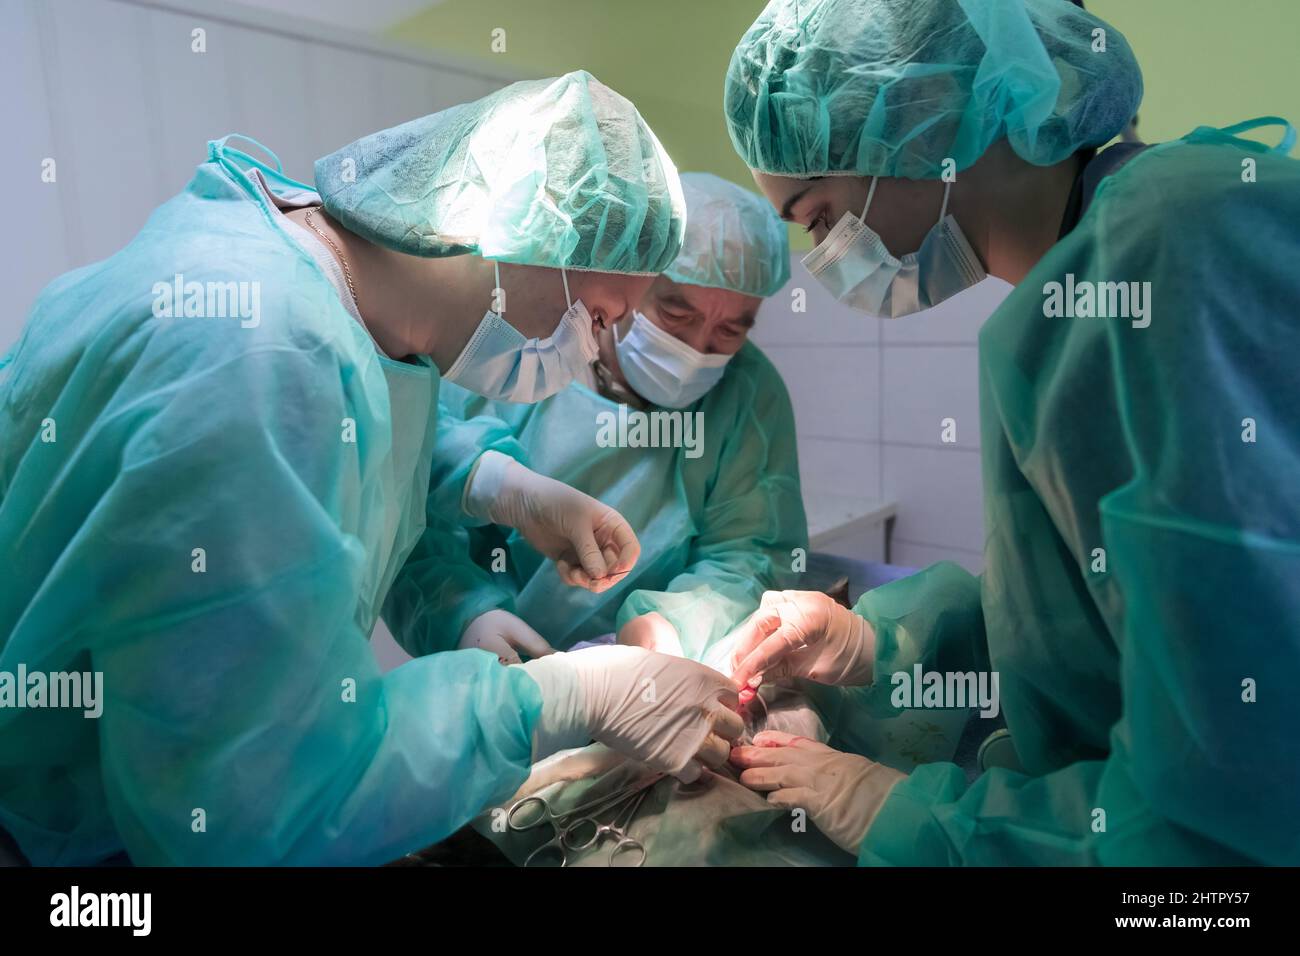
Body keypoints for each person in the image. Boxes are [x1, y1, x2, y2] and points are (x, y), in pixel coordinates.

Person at [0, 71, 743, 866]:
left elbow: (349, 440)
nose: (593, 349)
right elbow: (254, 810)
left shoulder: (299, 258)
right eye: (599, 316)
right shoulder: (254, 360)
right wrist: (560, 698)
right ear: (517, 235)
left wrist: (498, 486)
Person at [722, 0, 1300, 864]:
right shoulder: (1097, 267)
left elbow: (1230, 805)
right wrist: (881, 639)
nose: (830, 254)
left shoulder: (1167, 247)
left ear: (917, 121)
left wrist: (924, 822)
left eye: (818, 215)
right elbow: (1121, 612)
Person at [383, 173, 807, 666]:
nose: (697, 348)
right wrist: (467, 616)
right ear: (632, 283)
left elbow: (752, 552)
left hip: (660, 674)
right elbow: (418, 511)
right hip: (501, 675)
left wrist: (675, 625)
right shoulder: (526, 351)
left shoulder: (750, 393)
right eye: (676, 313)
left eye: (732, 329)